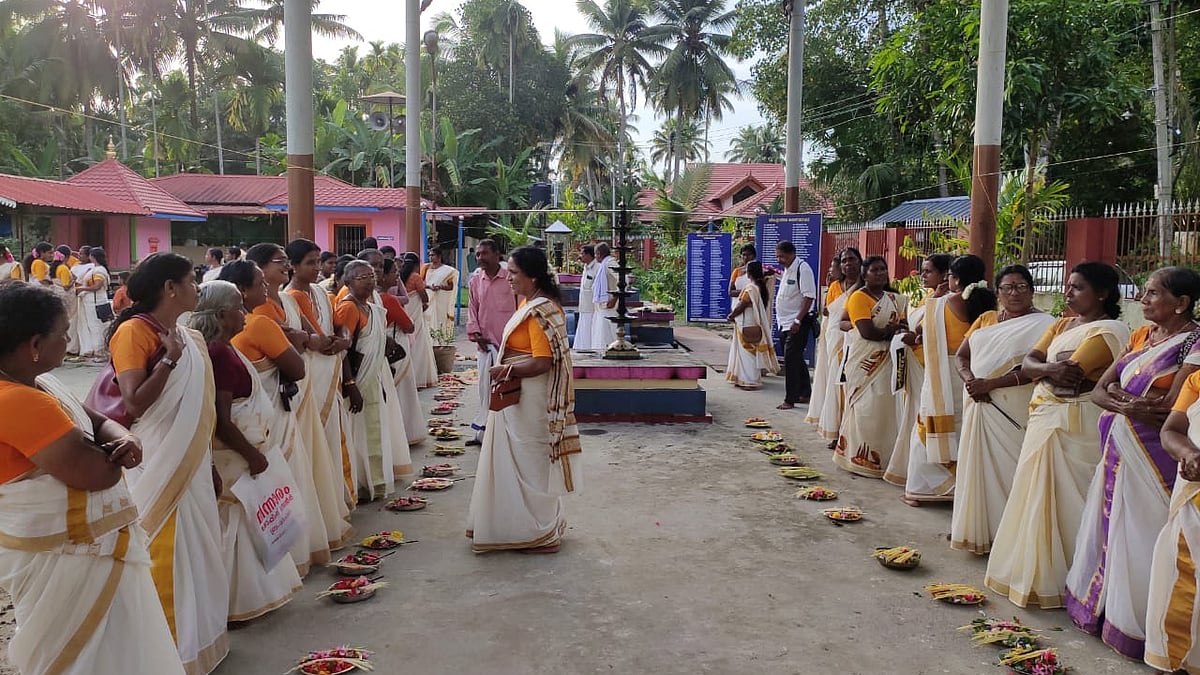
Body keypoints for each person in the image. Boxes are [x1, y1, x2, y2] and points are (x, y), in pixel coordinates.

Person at [0, 281, 185, 675]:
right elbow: (95, 474)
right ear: (34, 345)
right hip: (64, 552)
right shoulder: (17, 400)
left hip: (67, 549)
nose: (69, 339)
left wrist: (123, 435)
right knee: (82, 652)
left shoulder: (36, 382)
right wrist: (121, 456)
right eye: (63, 332)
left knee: (109, 645)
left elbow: (92, 419)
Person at [102, 252, 229, 673]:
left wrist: (206, 461)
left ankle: (200, 642)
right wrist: (169, 359)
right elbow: (133, 402)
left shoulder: (183, 334)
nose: (197, 287)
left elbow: (200, 409)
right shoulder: (135, 332)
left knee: (195, 552)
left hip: (189, 460)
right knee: (165, 551)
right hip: (156, 460)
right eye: (191, 281)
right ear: (170, 288)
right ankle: (169, 652)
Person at [1065, 267, 1200, 659]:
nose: (1142, 299)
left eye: (1153, 293)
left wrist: (1124, 401)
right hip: (1117, 447)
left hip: (1153, 455)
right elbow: (1098, 391)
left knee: (1141, 533)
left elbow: (1169, 409)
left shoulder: (1192, 343)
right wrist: (1129, 405)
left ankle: (1139, 623)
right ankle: (1103, 610)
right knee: (1109, 526)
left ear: (1182, 303)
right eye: (1143, 291)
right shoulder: (1141, 337)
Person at [984, 262, 1130, 609]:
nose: (1068, 293)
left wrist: (1043, 370)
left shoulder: (1110, 331)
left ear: (1103, 294)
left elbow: (1074, 373)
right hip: (1046, 418)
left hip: (1076, 425)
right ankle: (1033, 574)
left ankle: (1076, 579)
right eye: (1068, 286)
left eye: (1077, 287)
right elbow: (1035, 365)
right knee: (1033, 494)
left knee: (1072, 500)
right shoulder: (1063, 324)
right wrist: (1049, 368)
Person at [189, 280, 303, 622]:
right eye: (240, 306)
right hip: (235, 453)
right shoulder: (219, 353)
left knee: (250, 522)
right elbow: (222, 419)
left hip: (246, 447)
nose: (245, 313)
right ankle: (235, 603)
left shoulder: (225, 347)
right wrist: (252, 455)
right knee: (236, 525)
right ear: (223, 314)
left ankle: (250, 597)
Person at [220, 257, 333, 574]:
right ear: (241, 291)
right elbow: (296, 369)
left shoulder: (211, 330)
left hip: (236, 424)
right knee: (280, 487)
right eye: (259, 283)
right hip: (268, 422)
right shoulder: (258, 324)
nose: (267, 288)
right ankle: (292, 558)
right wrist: (296, 342)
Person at [467, 246, 581, 554]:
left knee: (529, 464)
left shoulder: (539, 310)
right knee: (520, 461)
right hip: (520, 396)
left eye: (514, 273)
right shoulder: (533, 304)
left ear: (532, 276)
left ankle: (537, 531)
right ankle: (518, 526)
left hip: (530, 398)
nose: (509, 279)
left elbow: (543, 362)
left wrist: (506, 368)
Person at [950, 264, 1055, 554]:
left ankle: (1011, 539)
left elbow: (1038, 370)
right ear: (997, 292)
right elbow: (962, 356)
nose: (1014, 293)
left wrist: (992, 384)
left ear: (1032, 290)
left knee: (1014, 468)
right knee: (976, 467)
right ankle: (977, 531)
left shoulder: (1047, 324)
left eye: (1021, 286)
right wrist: (972, 381)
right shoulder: (986, 318)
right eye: (1007, 287)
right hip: (978, 402)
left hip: (1014, 406)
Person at [273, 242, 356, 551]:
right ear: (293, 266)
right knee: (313, 446)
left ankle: (332, 502)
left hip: (328, 372)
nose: (318, 268)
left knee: (331, 440)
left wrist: (342, 339)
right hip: (311, 376)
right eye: (310, 262)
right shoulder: (290, 297)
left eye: (318, 261)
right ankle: (318, 511)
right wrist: (326, 342)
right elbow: (310, 339)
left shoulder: (322, 292)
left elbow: (335, 326)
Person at [900, 254, 996, 505]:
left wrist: (934, 298)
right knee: (964, 428)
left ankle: (921, 490)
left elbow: (919, 329)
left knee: (927, 427)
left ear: (955, 278)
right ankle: (960, 487)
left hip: (943, 372)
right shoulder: (990, 302)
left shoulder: (941, 304)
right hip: (971, 371)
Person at [334, 260, 412, 500]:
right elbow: (343, 351)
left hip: (374, 379)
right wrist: (350, 384)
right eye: (362, 277)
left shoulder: (371, 307)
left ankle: (374, 482)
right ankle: (361, 484)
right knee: (361, 435)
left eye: (371, 276)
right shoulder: (348, 309)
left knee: (375, 431)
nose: (370, 280)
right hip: (358, 382)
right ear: (348, 283)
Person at [1144, 360, 1200, 672]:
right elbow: (1172, 430)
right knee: (1181, 589)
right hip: (1193, 499)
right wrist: (1188, 454)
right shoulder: (1196, 380)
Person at [834, 255, 907, 479]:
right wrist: (892, 330)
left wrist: (894, 329)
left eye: (883, 269)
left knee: (885, 409)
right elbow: (868, 332)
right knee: (865, 408)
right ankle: (856, 458)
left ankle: (883, 459)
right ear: (865, 275)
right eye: (874, 270)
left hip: (890, 360)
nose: (880, 273)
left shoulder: (895, 298)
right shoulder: (859, 297)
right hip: (865, 360)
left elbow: (904, 325)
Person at [883, 254, 952, 486]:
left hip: (928, 368)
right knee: (911, 419)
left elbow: (928, 331)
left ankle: (930, 480)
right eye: (922, 270)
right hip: (914, 365)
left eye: (928, 271)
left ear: (944, 275)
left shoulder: (948, 300)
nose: (923, 275)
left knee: (922, 423)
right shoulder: (930, 297)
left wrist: (914, 336)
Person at [467, 239, 518, 446]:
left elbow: (520, 306)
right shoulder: (475, 280)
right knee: (484, 389)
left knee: (507, 390)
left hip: (510, 345)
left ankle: (506, 435)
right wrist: (475, 333)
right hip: (485, 344)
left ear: (498, 254)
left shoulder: (511, 278)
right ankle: (484, 434)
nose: (480, 259)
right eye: (478, 255)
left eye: (485, 254)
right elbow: (473, 308)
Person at [815, 248, 863, 444]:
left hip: (858, 342)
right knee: (835, 387)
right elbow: (828, 312)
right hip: (834, 341)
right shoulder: (835, 285)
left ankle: (852, 434)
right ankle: (836, 432)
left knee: (852, 387)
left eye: (852, 260)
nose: (848, 264)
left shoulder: (865, 286)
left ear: (860, 262)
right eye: (844, 261)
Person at [379, 257, 425, 445]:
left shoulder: (373, 298)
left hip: (382, 348)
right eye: (393, 272)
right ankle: (405, 432)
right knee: (403, 391)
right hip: (396, 344)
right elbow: (408, 325)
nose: (397, 275)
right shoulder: (388, 299)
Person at [774, 241, 817, 409]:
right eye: (778, 256)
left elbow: (809, 297)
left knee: (791, 360)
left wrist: (798, 320)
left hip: (797, 322)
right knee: (796, 359)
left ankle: (789, 399)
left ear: (792, 253)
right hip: (784, 322)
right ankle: (805, 392)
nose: (780, 259)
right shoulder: (787, 270)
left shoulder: (803, 269)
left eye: (782, 256)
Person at [726, 261, 780, 389]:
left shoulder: (750, 288)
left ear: (749, 273)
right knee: (747, 351)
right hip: (752, 321)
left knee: (747, 352)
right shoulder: (759, 287)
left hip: (746, 322)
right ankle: (742, 379)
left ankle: (751, 381)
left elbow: (742, 305)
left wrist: (731, 316)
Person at [401, 252, 438, 388]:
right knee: (419, 344)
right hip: (415, 315)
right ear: (417, 264)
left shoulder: (399, 275)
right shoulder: (415, 277)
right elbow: (424, 297)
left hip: (405, 311)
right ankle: (418, 377)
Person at [74, 247, 111, 360]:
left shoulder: (98, 270)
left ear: (92, 257)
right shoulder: (96, 269)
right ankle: (98, 350)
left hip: (95, 302)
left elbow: (97, 286)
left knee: (96, 327)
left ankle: (100, 352)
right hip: (95, 301)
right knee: (97, 326)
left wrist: (82, 288)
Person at [590, 242, 619, 349]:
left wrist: (615, 298)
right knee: (600, 334)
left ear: (598, 254)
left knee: (607, 335)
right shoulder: (603, 265)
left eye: (595, 254)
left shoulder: (610, 263)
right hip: (601, 306)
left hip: (609, 305)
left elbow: (623, 280)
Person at [423, 248, 458, 335]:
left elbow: (451, 286)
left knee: (441, 318)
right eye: (430, 255)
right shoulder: (425, 267)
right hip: (429, 296)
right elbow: (420, 282)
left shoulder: (448, 271)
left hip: (441, 299)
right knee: (428, 318)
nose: (431, 257)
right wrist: (429, 287)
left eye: (433, 255)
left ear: (439, 257)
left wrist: (441, 287)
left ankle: (441, 338)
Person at [573, 245, 598, 351]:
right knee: (583, 328)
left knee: (590, 328)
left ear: (589, 255)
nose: (580, 256)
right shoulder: (586, 267)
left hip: (593, 307)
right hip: (584, 305)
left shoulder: (597, 268)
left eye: (583, 253)